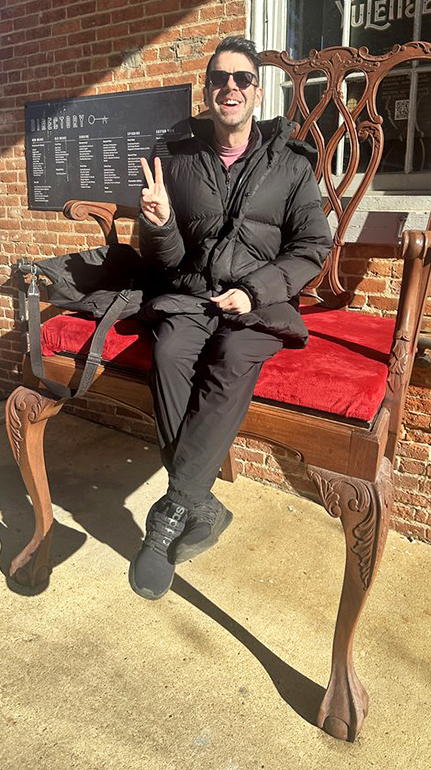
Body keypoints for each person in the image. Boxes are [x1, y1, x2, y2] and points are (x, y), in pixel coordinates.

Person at [129, 36, 332, 600]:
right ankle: (200, 504)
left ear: (256, 92)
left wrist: (256, 290)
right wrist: (160, 223)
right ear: (208, 90)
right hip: (193, 296)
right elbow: (164, 262)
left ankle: (169, 515)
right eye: (219, 78)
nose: (230, 88)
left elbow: (312, 245)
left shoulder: (290, 166)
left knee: (231, 357)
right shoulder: (178, 161)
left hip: (259, 306)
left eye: (241, 79)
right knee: (168, 352)